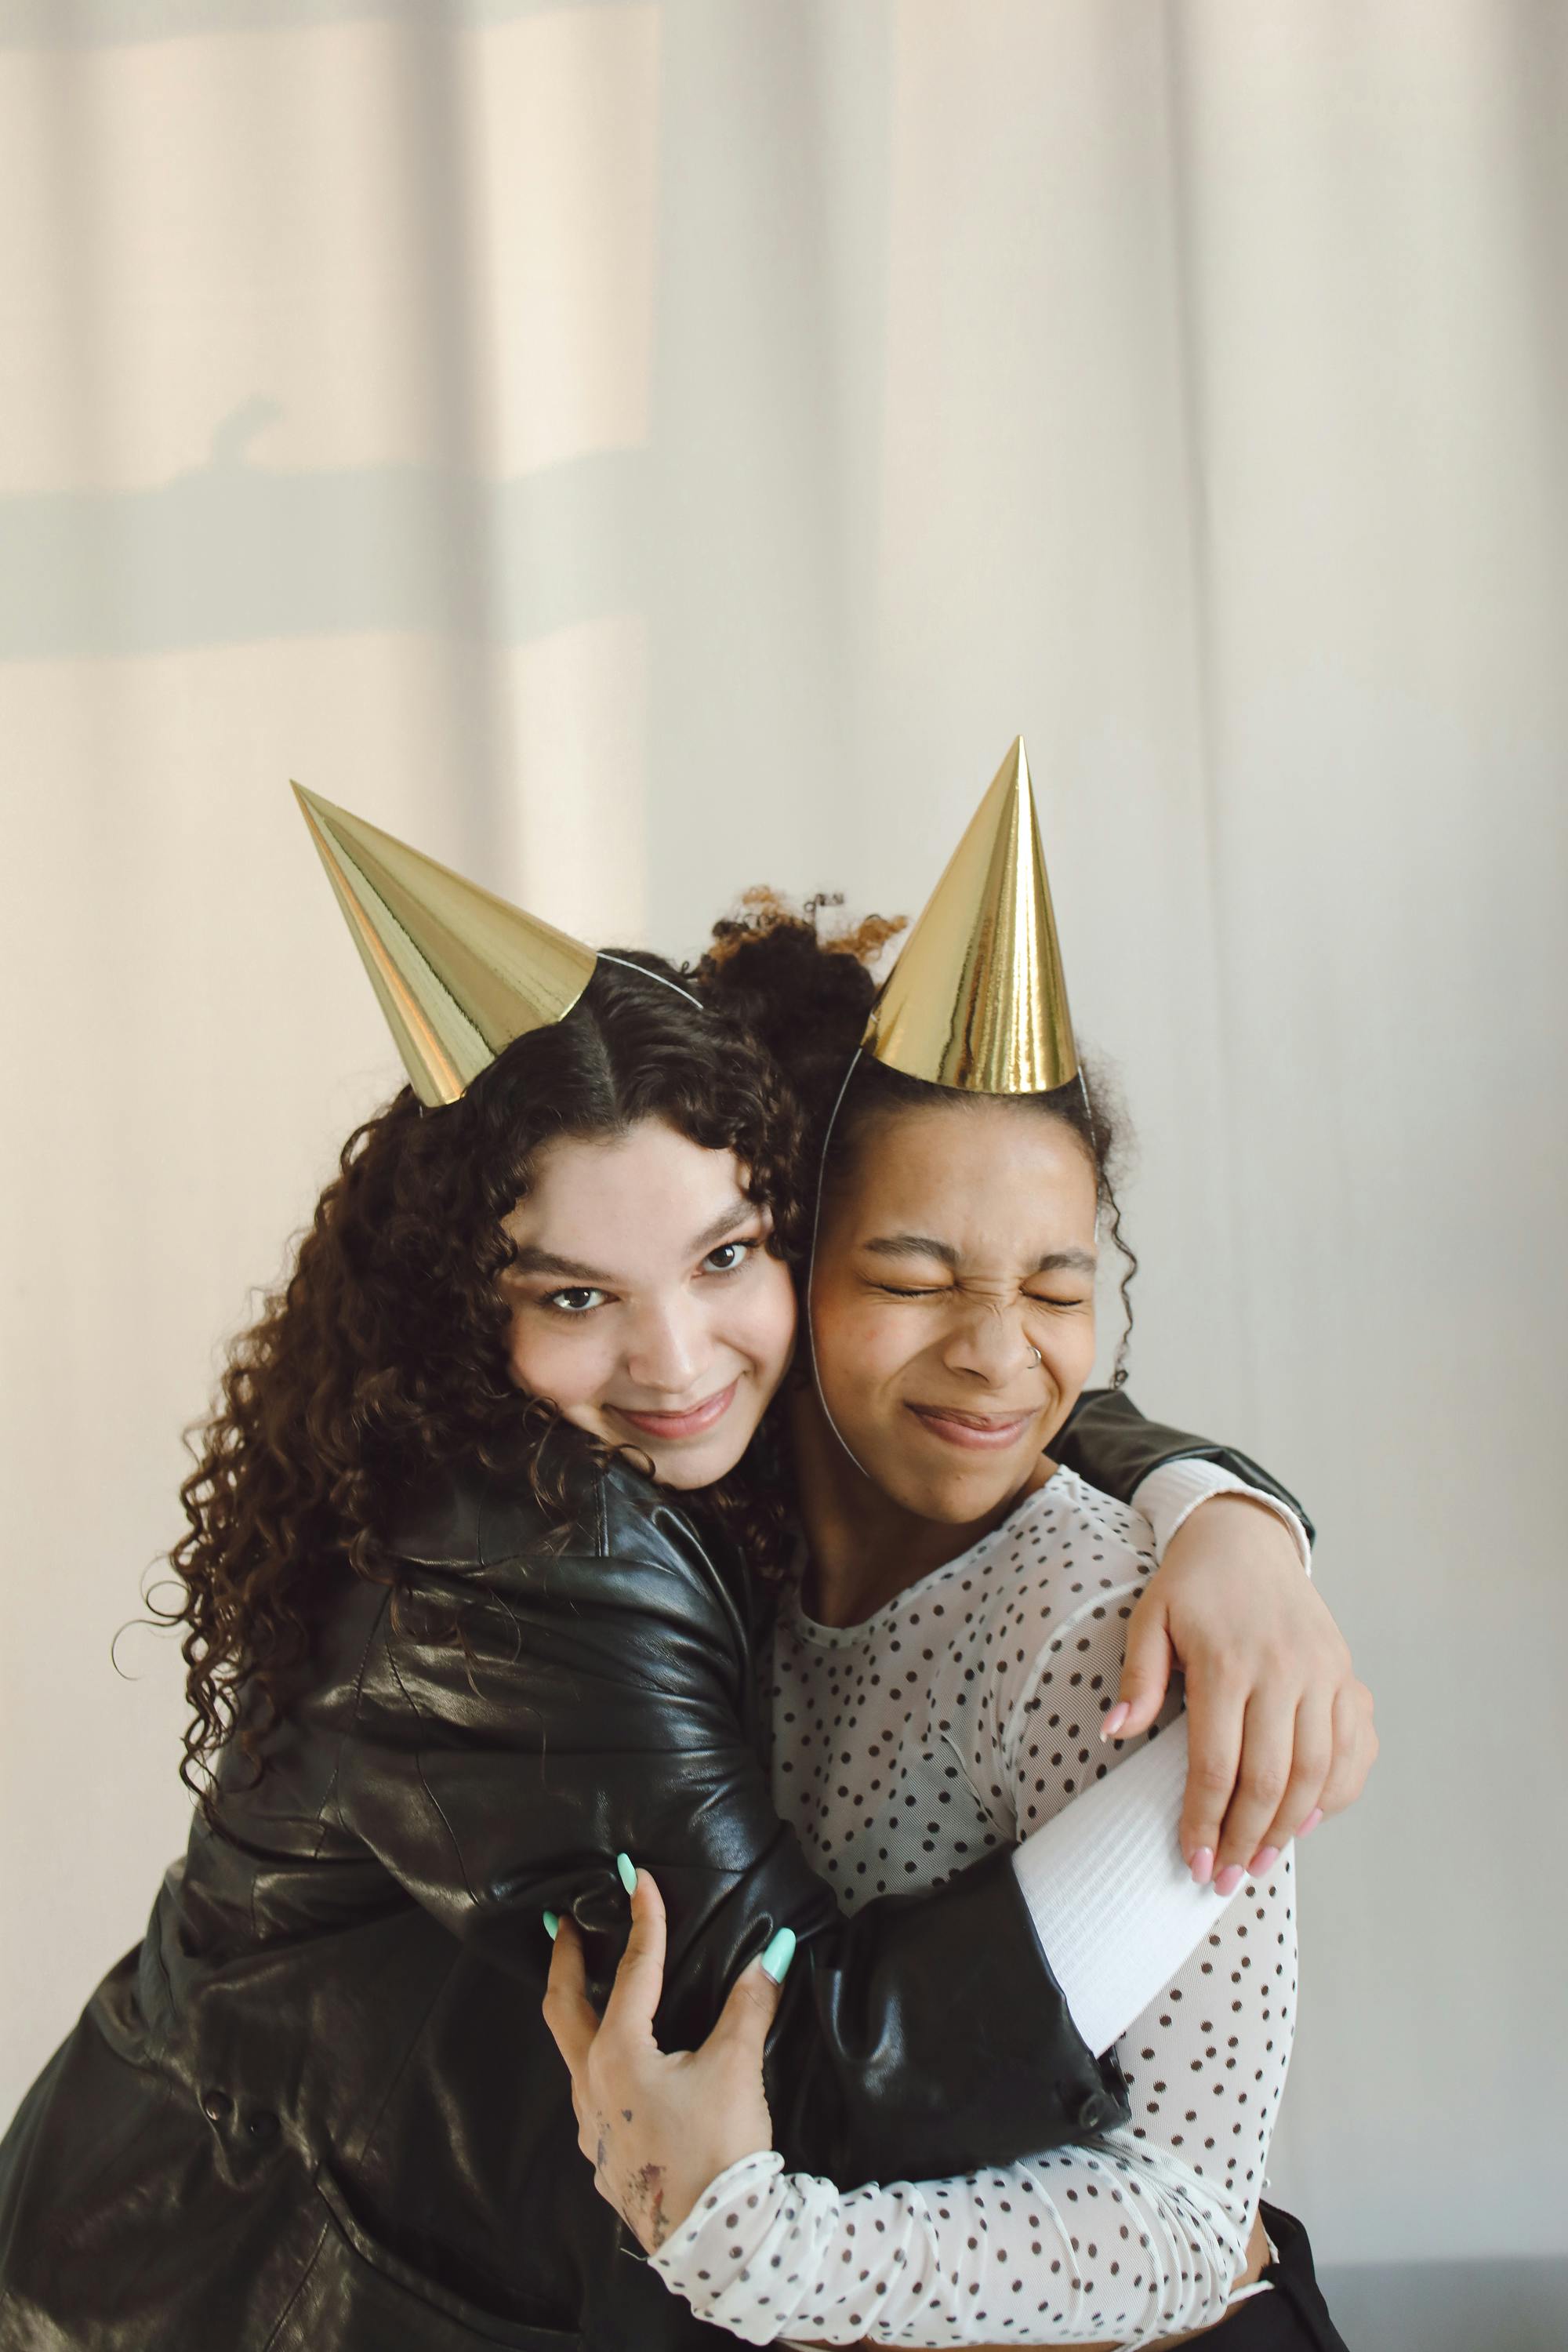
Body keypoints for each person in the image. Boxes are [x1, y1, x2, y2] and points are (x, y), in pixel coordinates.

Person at [0, 789, 1367, 2352]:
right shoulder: (529, 1553)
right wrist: (1193, 1819)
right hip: (236, 2276)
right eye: (574, 1297)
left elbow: (980, 1370)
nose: (678, 1360)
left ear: (781, 1246)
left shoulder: (727, 1435)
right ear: (459, 1307)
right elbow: (813, 2075)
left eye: (723, 1258)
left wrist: (1225, 1516)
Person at [542, 744, 1358, 2347]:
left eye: (1056, 1289)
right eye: (913, 1280)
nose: (998, 1357)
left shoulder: (1121, 1634)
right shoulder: (716, 1573)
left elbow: (1185, 2220)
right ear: (781, 1271)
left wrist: (757, 2243)